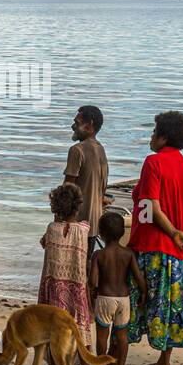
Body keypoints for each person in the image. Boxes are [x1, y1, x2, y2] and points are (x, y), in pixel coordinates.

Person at [127, 111, 183, 365]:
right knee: (169, 304)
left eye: (154, 131)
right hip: (177, 253)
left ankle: (116, 357)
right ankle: (164, 362)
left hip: (151, 246)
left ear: (164, 136)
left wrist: (172, 233)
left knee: (137, 300)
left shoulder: (153, 163)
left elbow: (150, 207)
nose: (150, 136)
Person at [38, 183, 93, 365]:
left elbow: (44, 243)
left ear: (55, 208)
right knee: (80, 330)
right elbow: (83, 224)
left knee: (55, 331)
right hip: (76, 286)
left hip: (53, 286)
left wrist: (56, 220)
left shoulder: (52, 229)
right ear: (77, 207)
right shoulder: (84, 229)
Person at [88, 211, 144, 365]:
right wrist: (144, 294)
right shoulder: (128, 254)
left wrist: (91, 296)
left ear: (101, 234)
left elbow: (93, 281)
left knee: (102, 337)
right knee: (122, 336)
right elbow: (139, 278)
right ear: (122, 233)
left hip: (105, 298)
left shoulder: (98, 255)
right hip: (124, 299)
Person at [64, 105, 110, 256]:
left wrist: (59, 222)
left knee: (69, 270)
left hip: (76, 223)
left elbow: (67, 191)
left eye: (77, 123)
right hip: (93, 224)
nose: (73, 127)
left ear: (89, 125)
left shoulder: (77, 150)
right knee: (84, 266)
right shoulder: (100, 149)